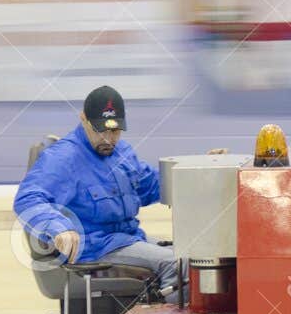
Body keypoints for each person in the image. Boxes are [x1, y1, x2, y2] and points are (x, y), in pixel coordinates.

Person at [14, 86, 179, 297]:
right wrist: (58, 227)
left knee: (190, 255)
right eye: (101, 130)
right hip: (95, 249)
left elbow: (150, 186)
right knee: (175, 264)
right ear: (84, 119)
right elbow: (28, 199)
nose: (109, 139)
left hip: (127, 239)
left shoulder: (122, 154)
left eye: (115, 131)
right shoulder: (63, 158)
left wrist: (197, 172)